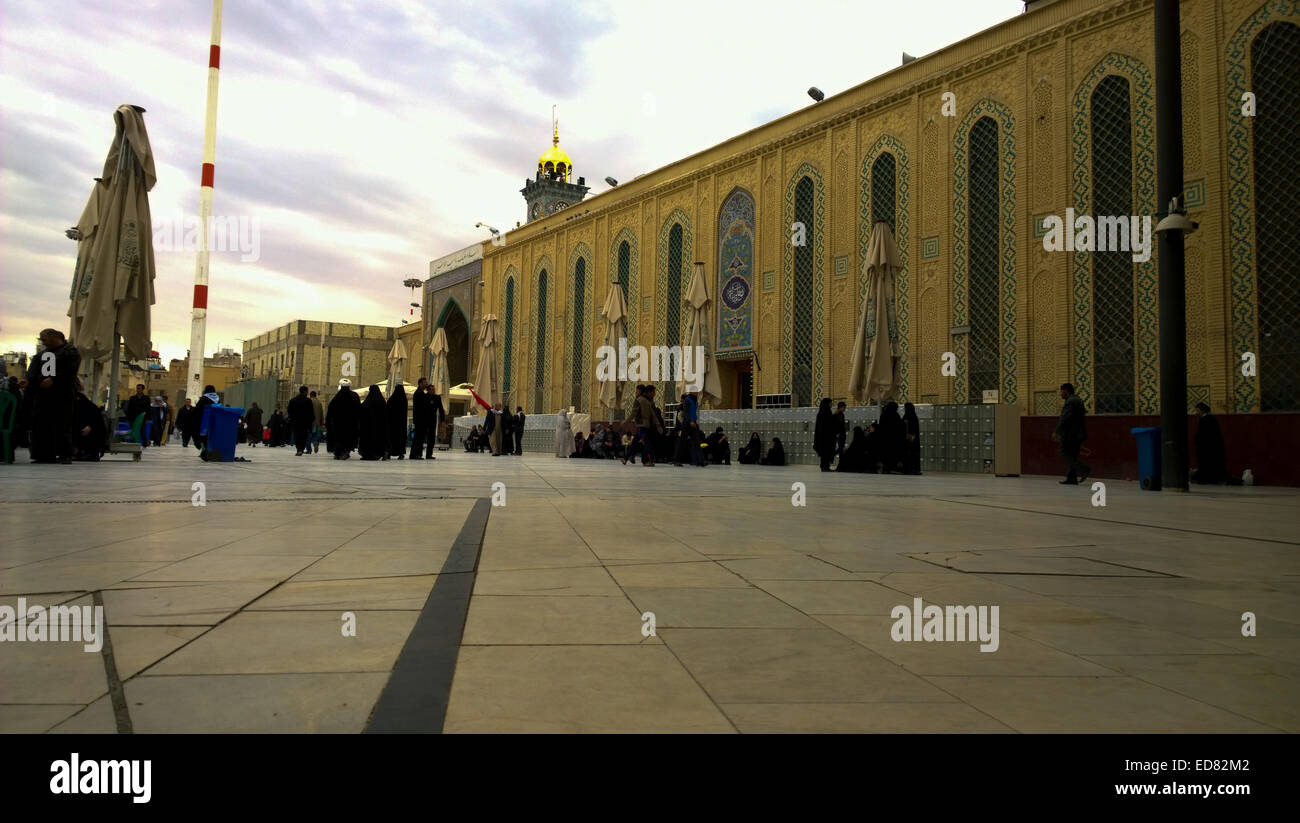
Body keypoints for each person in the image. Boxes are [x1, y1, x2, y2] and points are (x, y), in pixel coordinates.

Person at [24, 330, 81, 464]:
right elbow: (32, 373)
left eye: (44, 339)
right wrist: (36, 382)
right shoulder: (41, 355)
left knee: (62, 424)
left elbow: (70, 370)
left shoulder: (70, 352)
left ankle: (65, 454)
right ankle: (43, 454)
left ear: (54, 337)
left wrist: (54, 379)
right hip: (43, 396)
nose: (42, 342)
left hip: (63, 395)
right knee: (41, 424)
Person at [1052, 382, 1089, 485]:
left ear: (1066, 391)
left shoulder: (1070, 401)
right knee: (1072, 454)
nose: (1060, 394)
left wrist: (1057, 431)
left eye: (1061, 391)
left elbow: (1065, 418)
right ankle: (1071, 478)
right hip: (1079, 433)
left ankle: (1083, 469)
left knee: (1064, 452)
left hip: (1071, 434)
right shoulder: (1078, 400)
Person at [1192, 401, 1227, 485]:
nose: (1196, 413)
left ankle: (1205, 479)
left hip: (1207, 447)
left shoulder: (1205, 420)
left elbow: (1204, 434)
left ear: (1202, 410)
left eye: (1197, 410)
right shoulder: (1211, 419)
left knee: (1206, 463)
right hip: (1212, 446)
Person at [325, 379, 360, 459]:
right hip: (350, 424)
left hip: (338, 424)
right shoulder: (354, 396)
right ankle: (345, 451)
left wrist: (328, 422)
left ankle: (339, 452)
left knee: (338, 438)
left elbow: (330, 411)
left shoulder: (337, 398)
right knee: (348, 438)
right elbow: (358, 410)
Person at [72, 387, 107, 461]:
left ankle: (87, 453)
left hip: (87, 430)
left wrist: (91, 426)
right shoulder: (76, 399)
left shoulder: (82, 400)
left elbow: (96, 419)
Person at [358, 385, 388, 460]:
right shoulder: (381, 401)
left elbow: (362, 409)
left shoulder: (368, 401)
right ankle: (378, 453)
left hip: (368, 427)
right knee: (378, 439)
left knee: (368, 440)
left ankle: (367, 455)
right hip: (379, 426)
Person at [877, 401, 905, 474]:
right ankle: (891, 468)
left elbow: (881, 426)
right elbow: (899, 426)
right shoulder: (895, 415)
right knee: (892, 454)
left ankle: (885, 468)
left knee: (885, 454)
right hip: (893, 439)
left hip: (884, 439)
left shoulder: (883, 414)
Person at [287, 386, 314, 456]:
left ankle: (299, 449)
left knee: (297, 435)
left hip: (296, 421)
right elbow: (311, 412)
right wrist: (311, 420)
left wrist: (292, 418)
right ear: (305, 391)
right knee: (304, 436)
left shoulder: (293, 400)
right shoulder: (308, 401)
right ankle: (301, 449)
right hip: (305, 422)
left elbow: (289, 411)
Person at [191, 385, 219, 453]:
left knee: (202, 437)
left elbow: (197, 410)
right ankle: (209, 450)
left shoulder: (204, 398)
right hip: (214, 422)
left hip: (203, 421)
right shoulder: (217, 399)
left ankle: (204, 451)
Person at [813, 397, 836, 472]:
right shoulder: (826, 412)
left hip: (822, 437)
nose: (831, 405)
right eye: (830, 403)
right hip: (825, 437)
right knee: (826, 452)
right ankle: (825, 467)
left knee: (824, 453)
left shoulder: (822, 412)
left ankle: (824, 466)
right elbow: (827, 424)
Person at [387, 383, 408, 459]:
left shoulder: (391, 399)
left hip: (392, 424)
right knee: (401, 439)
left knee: (392, 439)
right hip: (401, 424)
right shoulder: (404, 400)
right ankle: (401, 453)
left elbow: (387, 410)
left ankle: (389, 452)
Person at [902, 402, 922, 475]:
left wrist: (910, 435)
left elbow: (912, 427)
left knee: (910, 454)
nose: (904, 409)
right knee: (913, 454)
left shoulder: (910, 416)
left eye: (905, 407)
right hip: (913, 439)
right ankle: (914, 469)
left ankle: (911, 469)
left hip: (910, 438)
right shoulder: (913, 415)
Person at [831, 401, 848, 468]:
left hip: (843, 433)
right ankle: (832, 455)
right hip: (839, 434)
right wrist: (836, 433)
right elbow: (834, 425)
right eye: (844, 408)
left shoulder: (842, 414)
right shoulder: (835, 415)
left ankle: (841, 464)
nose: (844, 409)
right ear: (840, 407)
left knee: (842, 448)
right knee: (840, 448)